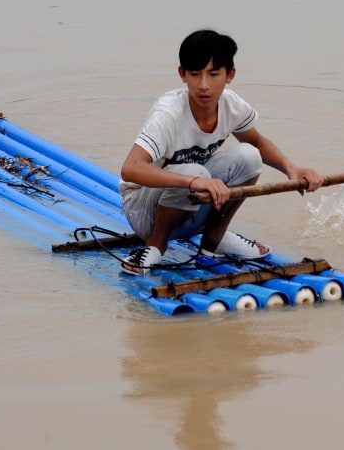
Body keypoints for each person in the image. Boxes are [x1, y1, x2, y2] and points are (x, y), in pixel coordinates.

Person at [118, 29, 324, 276]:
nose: (204, 85)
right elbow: (130, 168)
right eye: (195, 74)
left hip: (191, 205)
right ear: (182, 75)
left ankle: (212, 243)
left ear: (230, 75)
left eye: (214, 74)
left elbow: (256, 140)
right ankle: (155, 246)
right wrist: (194, 181)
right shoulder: (169, 113)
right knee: (196, 171)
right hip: (145, 213)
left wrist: (292, 169)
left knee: (249, 156)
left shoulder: (231, 105)